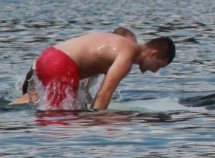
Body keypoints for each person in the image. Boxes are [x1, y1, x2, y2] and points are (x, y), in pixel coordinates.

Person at [29, 30, 175, 111]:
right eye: (158, 66)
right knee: (60, 124)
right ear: (153, 54)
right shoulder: (127, 55)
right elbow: (103, 95)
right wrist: (98, 137)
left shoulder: (118, 44)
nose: (155, 71)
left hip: (45, 57)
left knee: (56, 113)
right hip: (60, 64)